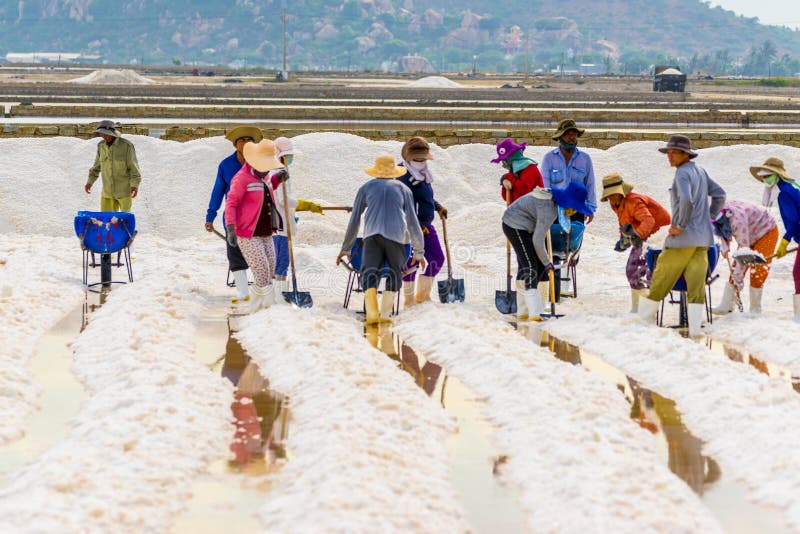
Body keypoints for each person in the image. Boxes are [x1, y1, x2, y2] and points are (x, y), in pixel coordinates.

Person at [638, 135, 726, 337]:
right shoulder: (700, 171)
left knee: (660, 278)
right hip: (703, 239)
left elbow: (686, 201)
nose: (669, 157)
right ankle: (695, 331)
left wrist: (680, 225)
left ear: (685, 154)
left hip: (683, 239)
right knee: (696, 285)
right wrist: (708, 217)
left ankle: (641, 326)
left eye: (673, 153)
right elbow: (720, 194)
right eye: (668, 153)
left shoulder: (682, 173)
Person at [337, 155, 426, 325]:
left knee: (369, 272)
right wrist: (419, 251)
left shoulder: (366, 188)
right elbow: (412, 222)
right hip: (397, 238)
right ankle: (385, 316)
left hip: (372, 236)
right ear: (394, 171)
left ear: (375, 171)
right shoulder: (403, 189)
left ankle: (371, 315)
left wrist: (346, 248)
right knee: (394, 273)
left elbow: (355, 218)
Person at [502, 181, 593, 321]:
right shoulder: (549, 209)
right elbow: (538, 240)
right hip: (514, 224)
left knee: (531, 266)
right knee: (531, 266)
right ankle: (534, 314)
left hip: (525, 226)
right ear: (568, 203)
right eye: (574, 208)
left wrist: (544, 263)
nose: (574, 212)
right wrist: (547, 262)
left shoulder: (554, 203)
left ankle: (524, 311)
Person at [225, 139, 285, 312]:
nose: (267, 169)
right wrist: (230, 227)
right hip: (247, 232)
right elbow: (231, 203)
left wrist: (276, 179)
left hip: (265, 230)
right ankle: (267, 306)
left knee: (271, 265)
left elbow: (266, 190)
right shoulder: (242, 178)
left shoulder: (264, 177)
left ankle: (258, 305)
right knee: (261, 268)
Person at [205, 125, 263, 304]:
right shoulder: (226, 165)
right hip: (234, 218)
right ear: (235, 144)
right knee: (235, 252)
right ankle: (243, 291)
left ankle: (261, 290)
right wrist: (210, 216)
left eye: (249, 140)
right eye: (242, 140)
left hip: (258, 217)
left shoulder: (260, 163)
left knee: (260, 252)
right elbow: (218, 191)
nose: (245, 143)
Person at [600, 172, 671, 312]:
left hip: (659, 235)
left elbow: (649, 221)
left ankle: (647, 310)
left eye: (613, 194)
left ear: (621, 192)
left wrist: (636, 236)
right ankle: (638, 308)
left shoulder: (634, 201)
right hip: (644, 236)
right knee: (633, 271)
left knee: (644, 271)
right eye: (609, 195)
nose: (610, 197)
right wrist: (624, 239)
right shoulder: (616, 203)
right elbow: (625, 221)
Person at [397, 136, 447, 306]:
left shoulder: (422, 172)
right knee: (410, 263)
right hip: (409, 226)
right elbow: (404, 203)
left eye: (422, 158)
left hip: (425, 225)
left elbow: (424, 197)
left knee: (437, 258)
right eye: (416, 158)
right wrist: (416, 226)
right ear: (407, 157)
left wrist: (438, 206)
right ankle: (409, 299)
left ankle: (422, 296)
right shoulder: (402, 175)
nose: (420, 161)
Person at [268, 137, 323, 293]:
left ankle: (278, 292)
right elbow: (282, 199)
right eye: (288, 155)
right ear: (280, 156)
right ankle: (279, 294)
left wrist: (294, 210)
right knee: (282, 261)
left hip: (280, 221)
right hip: (281, 224)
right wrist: (304, 204)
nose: (290, 158)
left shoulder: (278, 171)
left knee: (280, 260)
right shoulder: (280, 173)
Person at [749, 157, 800, 322]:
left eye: (767, 176)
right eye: (763, 177)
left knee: (798, 272)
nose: (765, 180)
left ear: (777, 175)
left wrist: (784, 242)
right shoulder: (791, 187)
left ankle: (799, 316)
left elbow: (795, 221)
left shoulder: (784, 193)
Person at [711, 199, 778, 315]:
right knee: (735, 267)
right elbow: (721, 231)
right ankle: (727, 305)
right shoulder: (717, 214)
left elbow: (744, 252)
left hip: (766, 231)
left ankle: (755, 310)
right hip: (749, 232)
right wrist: (725, 246)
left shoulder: (737, 219)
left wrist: (738, 278)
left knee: (757, 271)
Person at [539, 119, 597, 224]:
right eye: (567, 134)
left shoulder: (585, 159)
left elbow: (590, 184)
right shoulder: (549, 158)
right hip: (554, 209)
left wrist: (590, 208)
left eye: (574, 134)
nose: (572, 138)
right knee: (554, 239)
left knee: (575, 238)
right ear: (560, 137)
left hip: (577, 209)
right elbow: (545, 185)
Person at [85, 120, 141, 213]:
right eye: (102, 134)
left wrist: (135, 185)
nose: (104, 136)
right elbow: (96, 167)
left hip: (124, 192)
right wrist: (90, 182)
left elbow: (133, 168)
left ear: (112, 133)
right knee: (107, 222)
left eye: (106, 134)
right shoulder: (101, 146)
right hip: (107, 193)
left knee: (124, 221)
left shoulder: (126, 146)